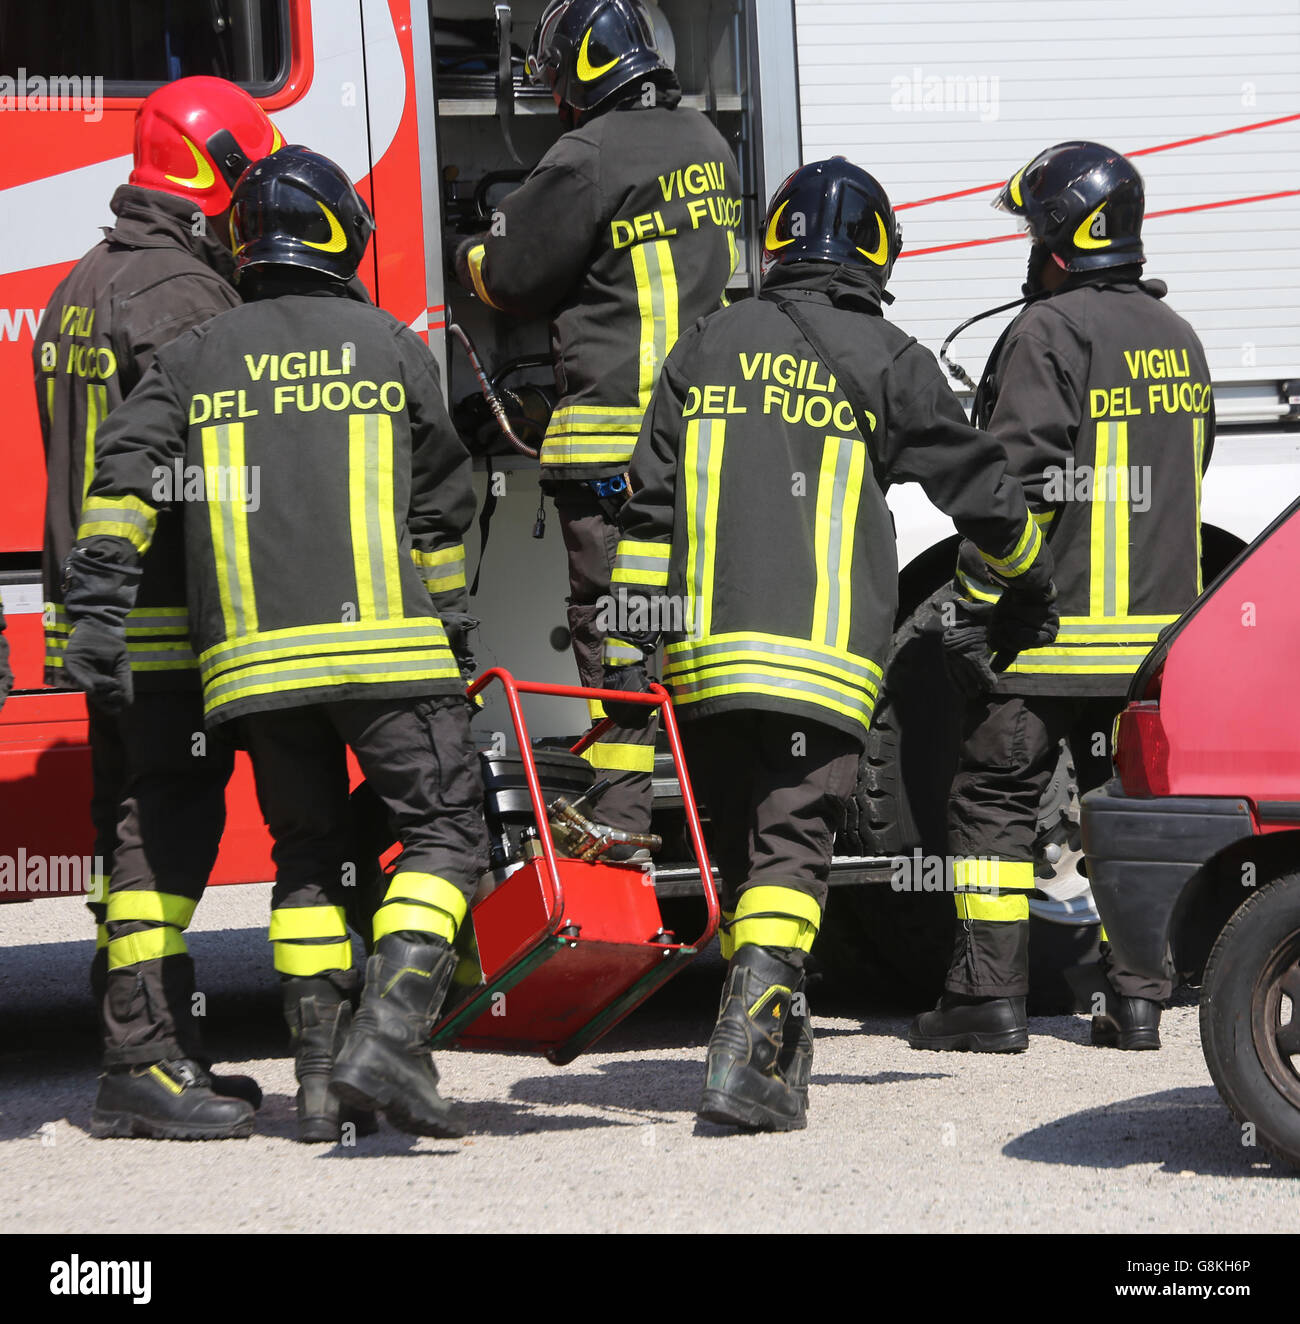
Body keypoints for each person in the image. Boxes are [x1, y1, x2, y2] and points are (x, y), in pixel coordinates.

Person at [603, 158, 1058, 1131]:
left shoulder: (704, 345)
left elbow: (639, 522)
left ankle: (766, 1035)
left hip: (703, 665)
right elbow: (983, 492)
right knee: (790, 852)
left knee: (742, 854)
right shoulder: (888, 358)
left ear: (772, 242)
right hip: (818, 664)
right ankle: (750, 1060)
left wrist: (626, 665)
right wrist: (1028, 580)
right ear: (877, 252)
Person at [63, 145, 488, 1141]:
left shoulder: (198, 354)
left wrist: (99, 606)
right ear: (342, 233)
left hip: (253, 671)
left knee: (308, 851)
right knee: (445, 830)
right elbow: (440, 514)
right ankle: (389, 1024)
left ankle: (317, 1083)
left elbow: (121, 472)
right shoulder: (389, 344)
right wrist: (453, 635)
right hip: (387, 653)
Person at [908, 141, 1214, 1055]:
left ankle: (987, 1004)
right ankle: (1138, 1004)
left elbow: (1014, 484)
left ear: (1055, 239)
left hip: (1046, 638)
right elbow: (1192, 471)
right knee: (1125, 811)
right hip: (1155, 650)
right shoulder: (1181, 337)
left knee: (995, 801)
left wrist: (971, 601)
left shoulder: (1045, 334)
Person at [33, 75, 282, 1119]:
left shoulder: (79, 282)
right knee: (163, 831)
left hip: (95, 623)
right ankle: (142, 1061)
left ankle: (149, 1034)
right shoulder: (184, 297)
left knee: (123, 820)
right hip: (165, 620)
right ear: (213, 175)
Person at [453, 0, 740, 839]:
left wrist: (471, 247)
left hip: (614, 451)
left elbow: (510, 273)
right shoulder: (708, 146)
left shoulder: (585, 154)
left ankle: (619, 831)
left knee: (616, 643)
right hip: (702, 444)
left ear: (577, 74)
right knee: (691, 637)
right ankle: (712, 821)